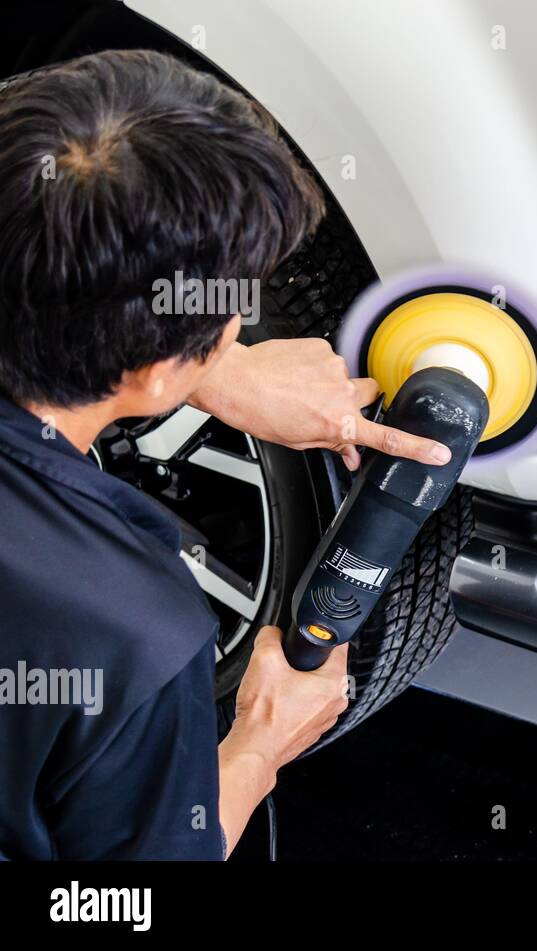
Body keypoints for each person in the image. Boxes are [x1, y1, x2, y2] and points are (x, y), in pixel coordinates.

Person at [0, 49, 450, 859]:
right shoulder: (131, 631)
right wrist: (259, 746)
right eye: (231, 312)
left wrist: (205, 372)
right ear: (153, 366)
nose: (236, 325)